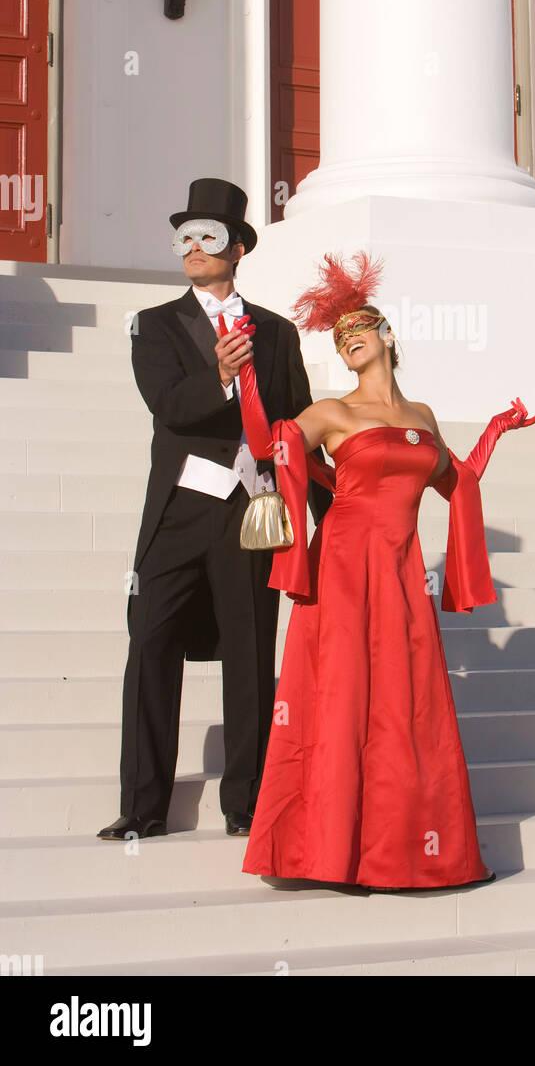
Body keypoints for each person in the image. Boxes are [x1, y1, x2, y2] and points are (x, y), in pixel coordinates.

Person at [225, 249, 535, 889]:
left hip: (401, 573)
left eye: (358, 332)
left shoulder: (420, 417)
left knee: (406, 704)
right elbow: (268, 446)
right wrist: (247, 378)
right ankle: (324, 852)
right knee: (340, 697)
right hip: (342, 564)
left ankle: (401, 851)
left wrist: (495, 430)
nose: (349, 344)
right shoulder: (335, 414)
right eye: (340, 340)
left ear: (386, 335)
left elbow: (459, 484)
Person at [97, 178, 331, 843]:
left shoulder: (279, 334)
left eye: (210, 237)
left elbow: (298, 427)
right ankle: (143, 806)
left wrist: (333, 506)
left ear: (237, 250)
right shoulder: (155, 326)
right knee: (150, 641)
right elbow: (170, 406)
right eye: (185, 238)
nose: (194, 248)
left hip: (252, 513)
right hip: (179, 510)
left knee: (253, 654)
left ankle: (248, 804)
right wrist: (223, 376)